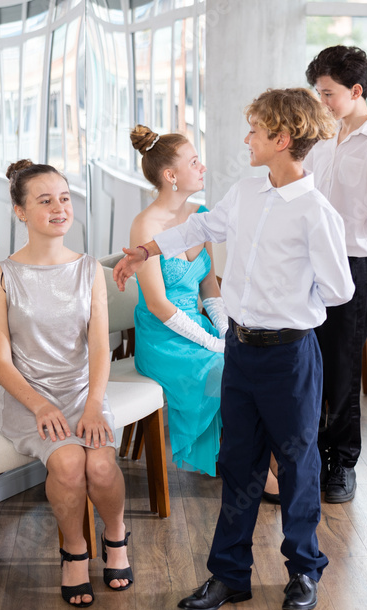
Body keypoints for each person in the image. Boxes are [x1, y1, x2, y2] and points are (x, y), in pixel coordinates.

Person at [112, 88, 353, 610]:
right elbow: (202, 227)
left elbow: (339, 291)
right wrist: (146, 249)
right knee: (239, 464)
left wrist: (286, 304)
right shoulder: (245, 191)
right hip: (240, 351)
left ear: (281, 139)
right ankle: (228, 575)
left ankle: (303, 570)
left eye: (255, 130)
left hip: (290, 357)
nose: (247, 138)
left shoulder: (316, 212)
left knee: (298, 465)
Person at [0, 159, 133, 608]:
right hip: (28, 398)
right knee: (67, 464)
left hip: (84, 393)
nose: (59, 208)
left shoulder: (89, 269)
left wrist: (94, 404)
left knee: (100, 467)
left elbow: (100, 346)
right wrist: (40, 405)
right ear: (20, 211)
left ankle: (116, 535)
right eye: (45, 201)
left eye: (64, 198)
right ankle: (74, 550)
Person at [304, 45, 367, 503]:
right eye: (318, 92)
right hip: (310, 263)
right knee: (309, 363)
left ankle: (341, 463)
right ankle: (308, 456)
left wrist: (354, 230)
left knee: (342, 369)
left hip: (354, 264)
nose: (322, 101)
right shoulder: (322, 136)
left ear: (356, 91)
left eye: (328, 93)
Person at [127, 125, 223, 477]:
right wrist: (212, 343)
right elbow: (156, 304)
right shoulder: (144, 226)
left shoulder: (201, 214)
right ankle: (247, 464)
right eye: (194, 162)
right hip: (162, 338)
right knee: (226, 368)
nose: (202, 167)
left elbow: (209, 287)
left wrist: (224, 331)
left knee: (252, 362)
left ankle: (253, 460)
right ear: (171, 176)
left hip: (199, 326)